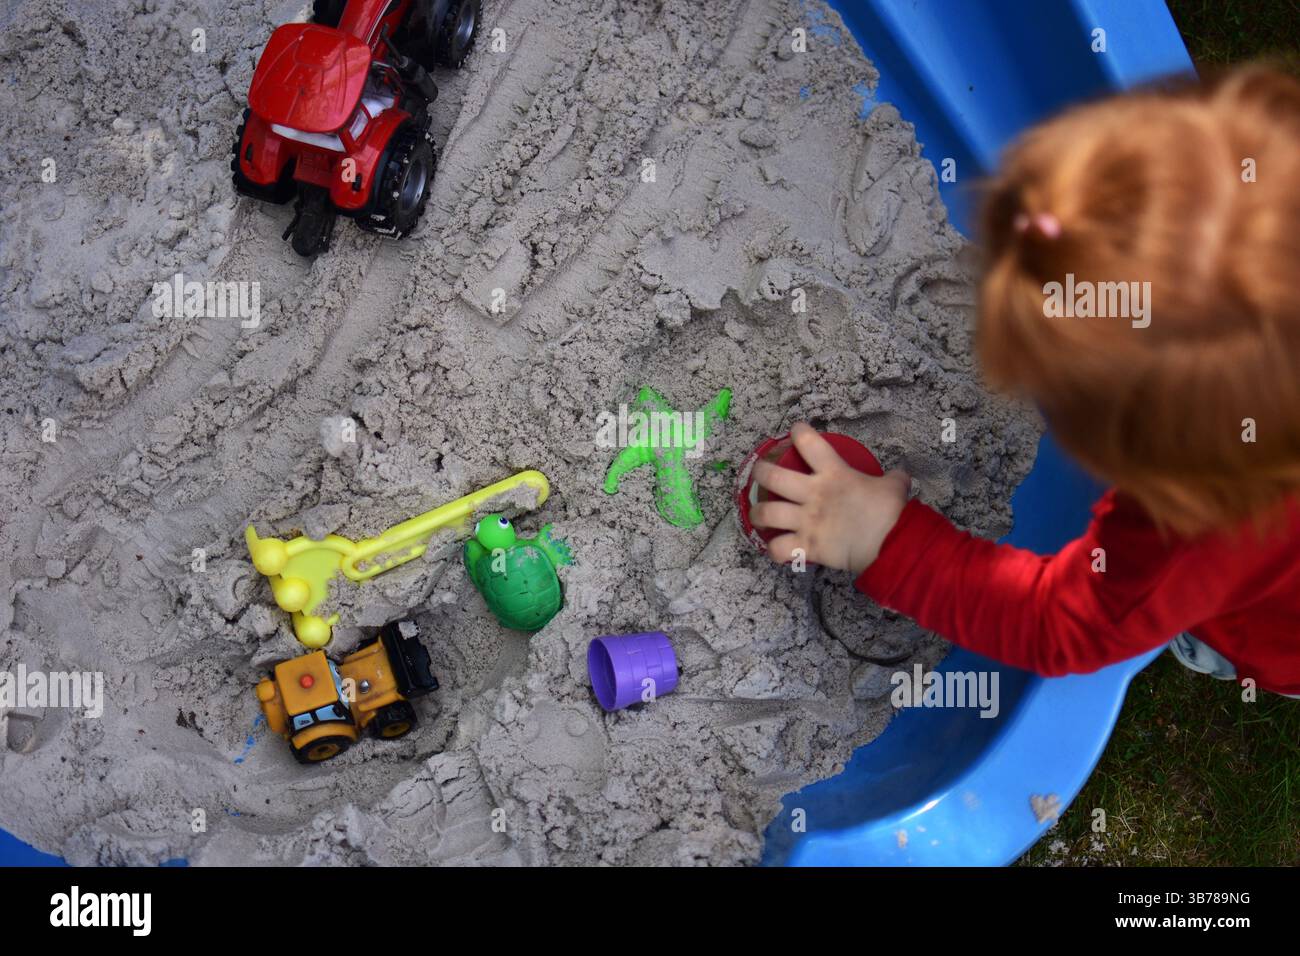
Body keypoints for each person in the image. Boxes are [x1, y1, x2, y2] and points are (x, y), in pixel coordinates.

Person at [751, 67, 1300, 696]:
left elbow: (1059, 623)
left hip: (1279, 621)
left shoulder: (1198, 532)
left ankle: (1217, 641)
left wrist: (880, 538)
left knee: (1234, 618)